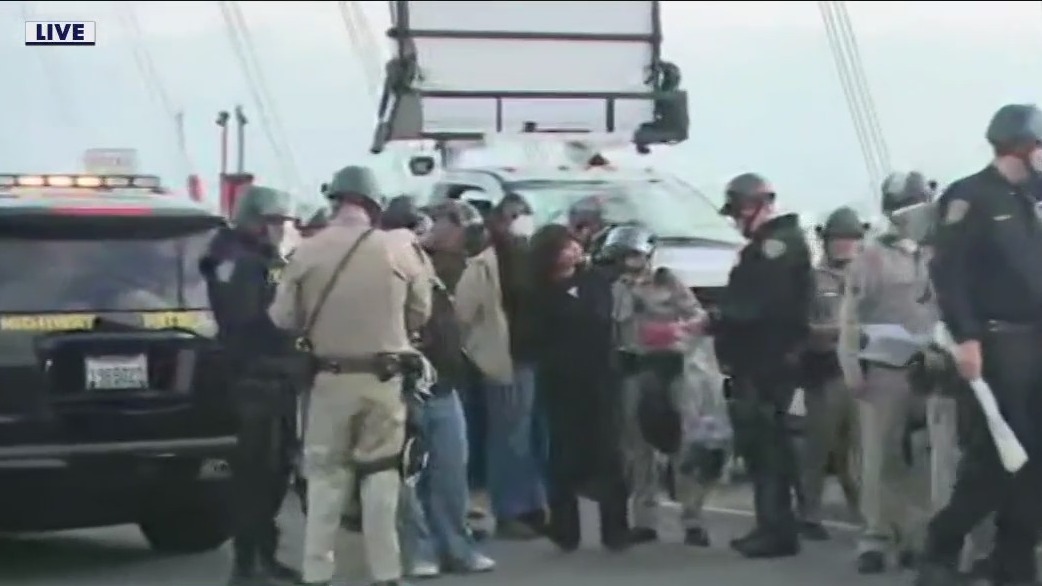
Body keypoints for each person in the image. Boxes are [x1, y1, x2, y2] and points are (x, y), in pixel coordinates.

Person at [269, 165, 432, 586]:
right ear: (373, 203)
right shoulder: (398, 249)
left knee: (324, 477)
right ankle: (386, 571)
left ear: (335, 199)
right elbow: (421, 312)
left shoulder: (307, 250)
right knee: (381, 474)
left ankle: (318, 570)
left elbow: (284, 317)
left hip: (329, 380)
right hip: (384, 379)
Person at [916, 104, 1042, 586]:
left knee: (1032, 465)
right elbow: (950, 273)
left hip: (1036, 342)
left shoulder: (1030, 198)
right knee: (996, 461)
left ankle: (1015, 563)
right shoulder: (972, 197)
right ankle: (940, 547)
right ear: (1021, 146)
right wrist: (966, 337)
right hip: (996, 343)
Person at [603, 224, 732, 548]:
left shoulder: (667, 282)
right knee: (637, 450)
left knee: (685, 445)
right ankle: (645, 520)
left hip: (672, 370)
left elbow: (697, 319)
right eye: (623, 256)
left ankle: (692, 518)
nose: (630, 262)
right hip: (633, 372)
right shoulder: (611, 289)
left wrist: (674, 331)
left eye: (634, 254)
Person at [198, 185, 299, 586]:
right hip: (254, 380)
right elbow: (249, 323)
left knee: (272, 475)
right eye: (273, 222)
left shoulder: (237, 255)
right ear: (255, 222)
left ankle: (263, 556)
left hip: (262, 377)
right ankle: (249, 564)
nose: (279, 230)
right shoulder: (243, 262)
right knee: (258, 476)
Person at [390, 200, 497, 578]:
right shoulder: (388, 268)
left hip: (445, 380)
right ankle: (419, 550)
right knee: (410, 475)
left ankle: (456, 546)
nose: (424, 232)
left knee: (451, 470)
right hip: (402, 382)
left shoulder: (450, 264)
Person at [837, 171, 937, 575]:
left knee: (926, 460)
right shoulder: (871, 258)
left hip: (931, 367)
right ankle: (876, 537)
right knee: (880, 456)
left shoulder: (933, 254)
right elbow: (849, 319)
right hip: (884, 370)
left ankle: (917, 534)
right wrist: (851, 370)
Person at [711, 172, 812, 558]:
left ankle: (776, 529)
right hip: (762, 361)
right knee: (765, 447)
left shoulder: (776, 248)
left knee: (767, 447)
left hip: (766, 363)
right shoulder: (774, 244)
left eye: (738, 210)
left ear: (752, 205)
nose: (736, 220)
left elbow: (758, 305)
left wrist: (715, 318)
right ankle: (772, 525)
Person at [529, 224, 630, 551]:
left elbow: (598, 319)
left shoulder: (593, 281)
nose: (573, 251)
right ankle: (565, 528)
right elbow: (537, 333)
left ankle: (615, 529)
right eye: (563, 248)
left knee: (607, 451)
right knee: (562, 455)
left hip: (597, 378)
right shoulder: (538, 290)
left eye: (573, 245)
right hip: (559, 381)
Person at [454, 193, 547, 539]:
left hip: (533, 357)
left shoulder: (531, 258)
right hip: (505, 359)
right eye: (513, 215)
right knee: (509, 438)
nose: (519, 222)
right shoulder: (486, 264)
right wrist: (478, 348)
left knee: (529, 438)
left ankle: (532, 505)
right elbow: (462, 313)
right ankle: (510, 510)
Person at [797, 206, 867, 540]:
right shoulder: (812, 280)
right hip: (824, 371)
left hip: (862, 372)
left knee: (857, 448)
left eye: (851, 239)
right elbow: (802, 326)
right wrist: (837, 331)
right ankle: (809, 512)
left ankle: (867, 515)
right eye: (838, 239)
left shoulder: (868, 275)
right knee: (819, 445)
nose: (844, 245)